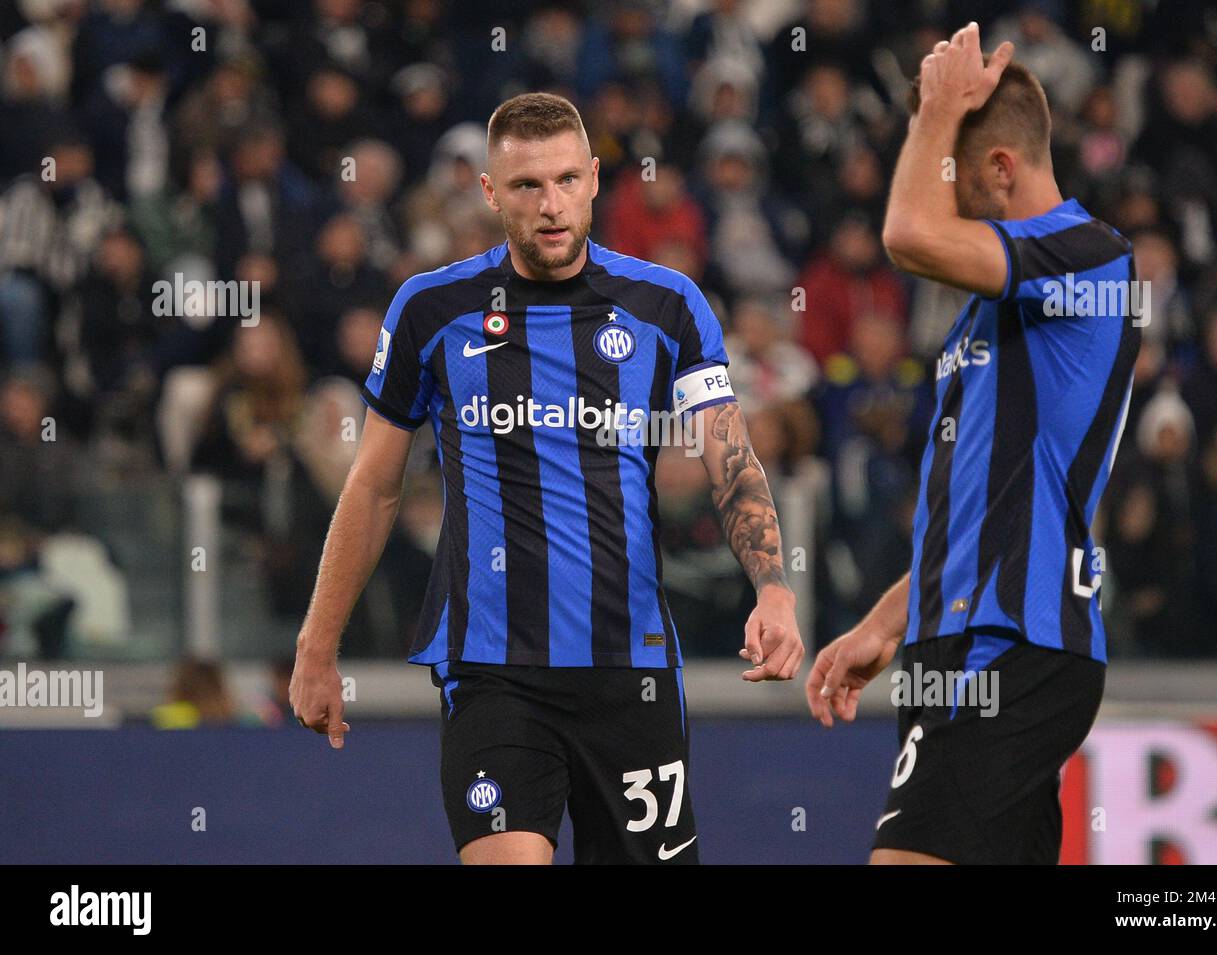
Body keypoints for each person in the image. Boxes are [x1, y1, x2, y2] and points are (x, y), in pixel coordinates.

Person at [290, 92, 803, 864]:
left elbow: (730, 463)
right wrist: (315, 644)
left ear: (596, 178)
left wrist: (773, 587)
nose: (552, 204)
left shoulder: (668, 307)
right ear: (491, 193)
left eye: (567, 179)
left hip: (630, 675)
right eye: (528, 186)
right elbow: (374, 485)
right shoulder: (432, 311)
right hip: (495, 674)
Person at [806, 24, 1139, 865]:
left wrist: (936, 111)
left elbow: (906, 235)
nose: (937, 197)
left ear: (998, 168)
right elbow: (984, 508)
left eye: (950, 173)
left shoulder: (1092, 259)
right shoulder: (988, 314)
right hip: (960, 638)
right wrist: (888, 621)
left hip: (1013, 646)